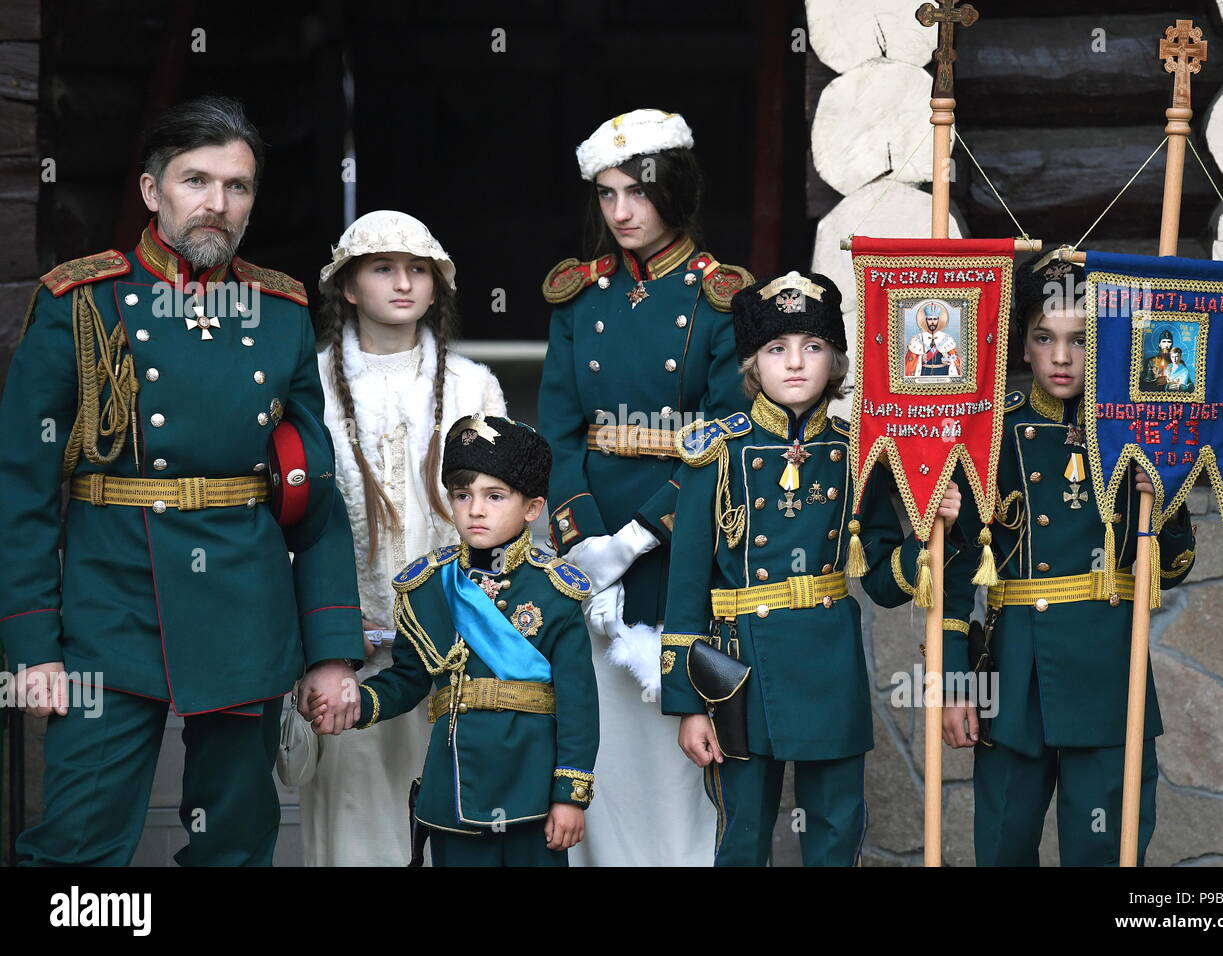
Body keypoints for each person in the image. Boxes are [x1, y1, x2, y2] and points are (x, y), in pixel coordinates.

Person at [0, 95, 362, 865]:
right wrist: (31, 646)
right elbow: (20, 489)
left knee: (233, 846)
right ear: (150, 190)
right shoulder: (80, 302)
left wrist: (331, 645)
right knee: (75, 844)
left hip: (246, 605)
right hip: (110, 606)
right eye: (196, 180)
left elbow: (314, 490)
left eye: (237, 187)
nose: (216, 204)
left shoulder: (283, 310)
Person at [659, 271, 965, 866]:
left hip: (829, 662)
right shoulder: (716, 453)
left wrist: (931, 539)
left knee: (835, 823)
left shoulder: (860, 452)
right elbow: (686, 587)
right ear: (753, 363)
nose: (795, 363)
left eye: (813, 346)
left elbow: (881, 580)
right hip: (738, 667)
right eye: (777, 348)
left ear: (836, 359)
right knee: (744, 829)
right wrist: (689, 702)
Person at [537, 108, 752, 866]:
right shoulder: (578, 296)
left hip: (679, 548)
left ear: (677, 192)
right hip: (587, 551)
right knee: (597, 748)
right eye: (605, 194)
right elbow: (558, 434)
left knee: (675, 758)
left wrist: (634, 540)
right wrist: (587, 537)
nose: (621, 212)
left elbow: (728, 434)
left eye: (637, 192)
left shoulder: (721, 296)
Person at [942, 257, 1198, 866]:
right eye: (1044, 337)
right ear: (1022, 346)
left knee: (1104, 850)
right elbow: (952, 578)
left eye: (1080, 338)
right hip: (1012, 673)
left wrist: (1156, 499)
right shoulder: (988, 436)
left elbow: (1174, 566)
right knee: (1002, 846)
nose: (1061, 356)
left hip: (1108, 672)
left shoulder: (1137, 432)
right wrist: (954, 685)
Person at [298, 210, 507, 866]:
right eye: (383, 268)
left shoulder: (472, 384)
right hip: (347, 649)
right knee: (354, 822)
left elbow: (504, 519)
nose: (403, 282)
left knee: (457, 813)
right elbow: (289, 516)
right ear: (349, 287)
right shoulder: (311, 384)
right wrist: (321, 638)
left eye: (418, 269)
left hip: (455, 642)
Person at [308, 415, 599, 866]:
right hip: (454, 795)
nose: (475, 509)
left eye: (494, 496)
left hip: (532, 792)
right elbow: (407, 679)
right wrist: (354, 704)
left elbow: (579, 706)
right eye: (462, 495)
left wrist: (570, 796)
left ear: (533, 508)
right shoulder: (427, 587)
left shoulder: (555, 591)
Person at [905, 300, 962, 379]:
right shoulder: (917, 339)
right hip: (924, 375)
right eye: (929, 319)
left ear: (939, 320)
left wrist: (950, 360)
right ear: (925, 320)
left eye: (935, 319)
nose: (932, 322)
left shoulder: (946, 339)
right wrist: (921, 358)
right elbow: (909, 361)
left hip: (943, 374)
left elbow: (956, 360)